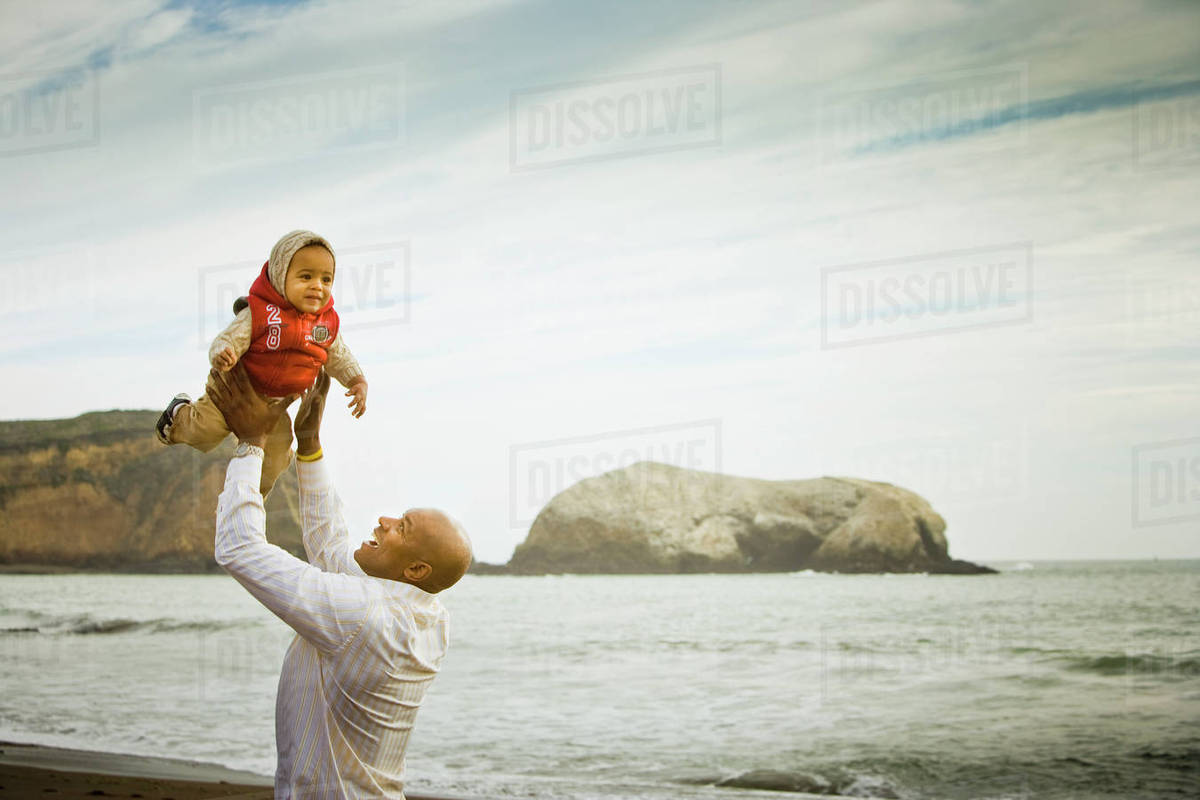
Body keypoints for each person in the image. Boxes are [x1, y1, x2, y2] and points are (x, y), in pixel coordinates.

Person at [208, 362, 472, 799]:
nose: (384, 520)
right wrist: (309, 446)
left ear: (418, 570)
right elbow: (332, 550)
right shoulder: (428, 617)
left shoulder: (364, 614)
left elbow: (239, 547)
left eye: (401, 527)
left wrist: (251, 443)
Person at [156, 230, 369, 497]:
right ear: (281, 276)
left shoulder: (325, 324)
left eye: (326, 279)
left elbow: (339, 356)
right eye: (306, 277)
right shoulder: (260, 312)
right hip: (233, 392)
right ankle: (177, 419)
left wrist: (357, 381)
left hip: (275, 404)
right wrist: (224, 353)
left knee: (276, 459)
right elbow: (229, 339)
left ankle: (248, 501)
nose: (318, 286)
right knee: (205, 432)